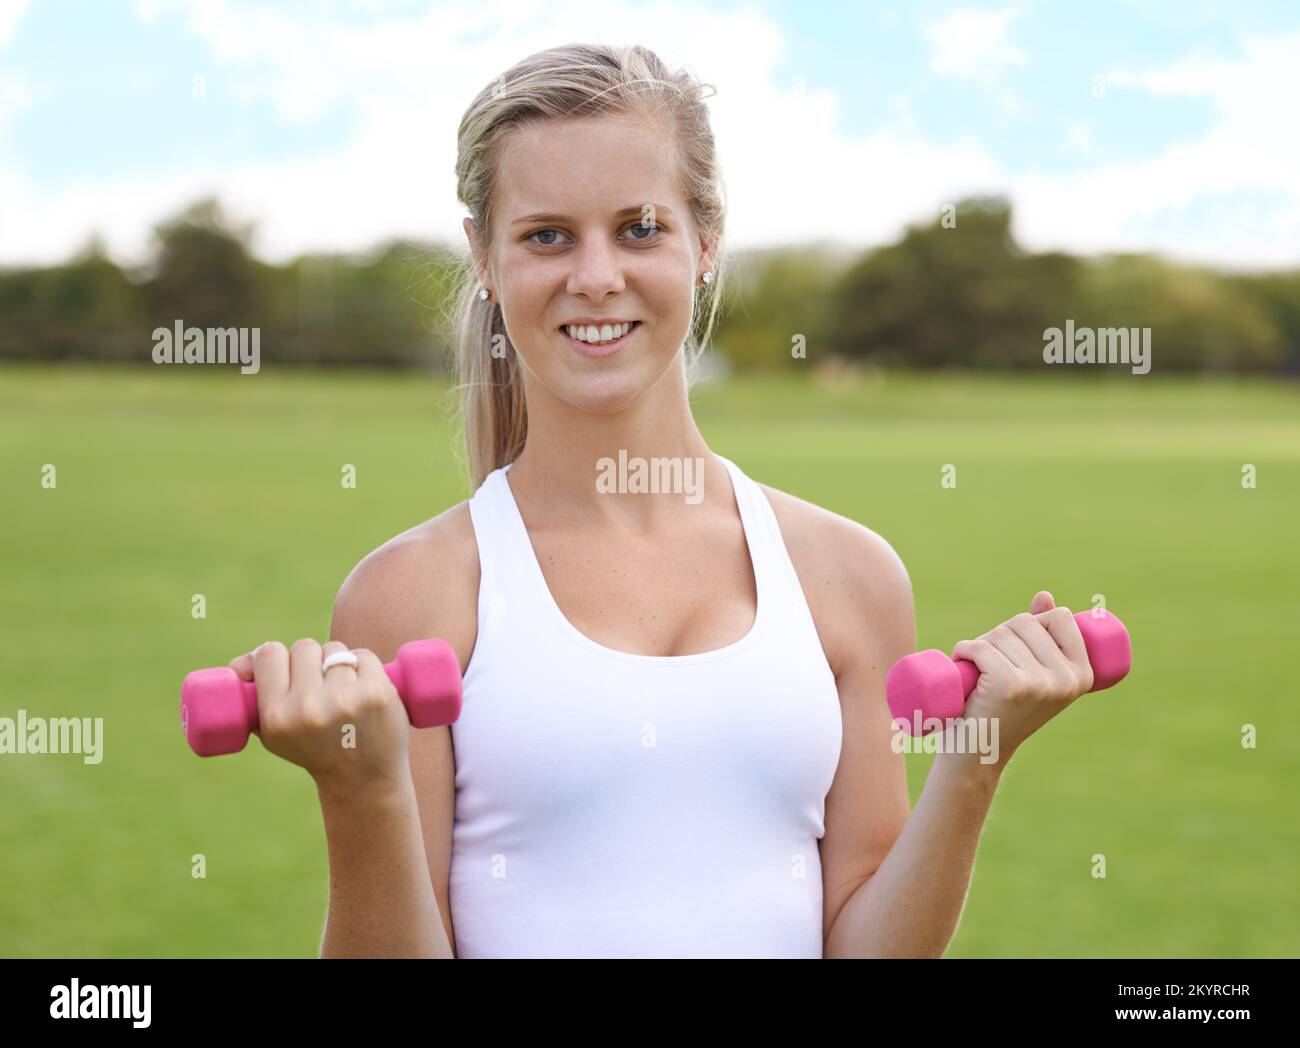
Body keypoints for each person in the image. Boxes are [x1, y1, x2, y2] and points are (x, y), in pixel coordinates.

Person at [226, 42, 1097, 959]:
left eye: (639, 228)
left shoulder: (848, 575)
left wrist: (975, 758)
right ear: (486, 255)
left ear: (705, 242)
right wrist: (360, 795)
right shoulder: (414, 594)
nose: (596, 276)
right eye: (547, 235)